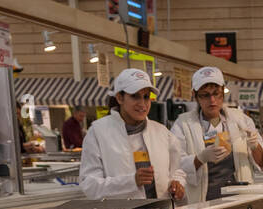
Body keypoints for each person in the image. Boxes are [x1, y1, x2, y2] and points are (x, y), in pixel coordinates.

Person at [79, 68, 185, 201]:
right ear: (119, 98)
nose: (142, 104)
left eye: (146, 97)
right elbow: (90, 186)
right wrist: (131, 181)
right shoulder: (98, 133)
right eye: (135, 96)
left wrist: (177, 183)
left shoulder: (162, 133)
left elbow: (177, 170)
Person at [171, 66, 263, 203]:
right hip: (201, 201)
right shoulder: (183, 124)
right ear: (195, 95)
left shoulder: (241, 120)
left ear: (223, 92)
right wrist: (200, 158)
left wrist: (255, 146)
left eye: (216, 93)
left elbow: (261, 163)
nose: (212, 100)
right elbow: (175, 165)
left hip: (239, 198)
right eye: (205, 95)